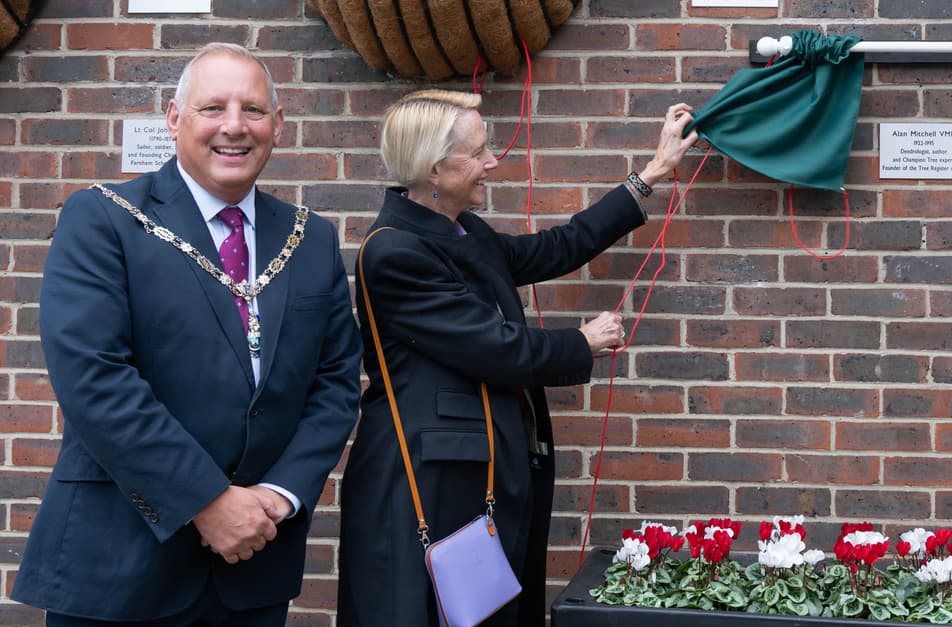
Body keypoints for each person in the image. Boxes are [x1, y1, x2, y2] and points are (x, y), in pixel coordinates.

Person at [12, 43, 363, 626]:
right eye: (213, 108)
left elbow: (334, 384)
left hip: (254, 566)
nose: (235, 126)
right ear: (175, 119)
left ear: (278, 125)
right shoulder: (104, 218)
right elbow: (93, 378)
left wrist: (279, 495)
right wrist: (207, 501)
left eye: (253, 110)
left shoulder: (311, 238)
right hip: (118, 567)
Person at [337, 89, 698, 626]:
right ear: (434, 169)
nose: (491, 162)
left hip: (464, 474)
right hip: (426, 482)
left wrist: (651, 173)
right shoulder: (395, 252)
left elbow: (558, 246)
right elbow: (494, 347)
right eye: (478, 152)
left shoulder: (462, 231)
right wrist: (582, 341)